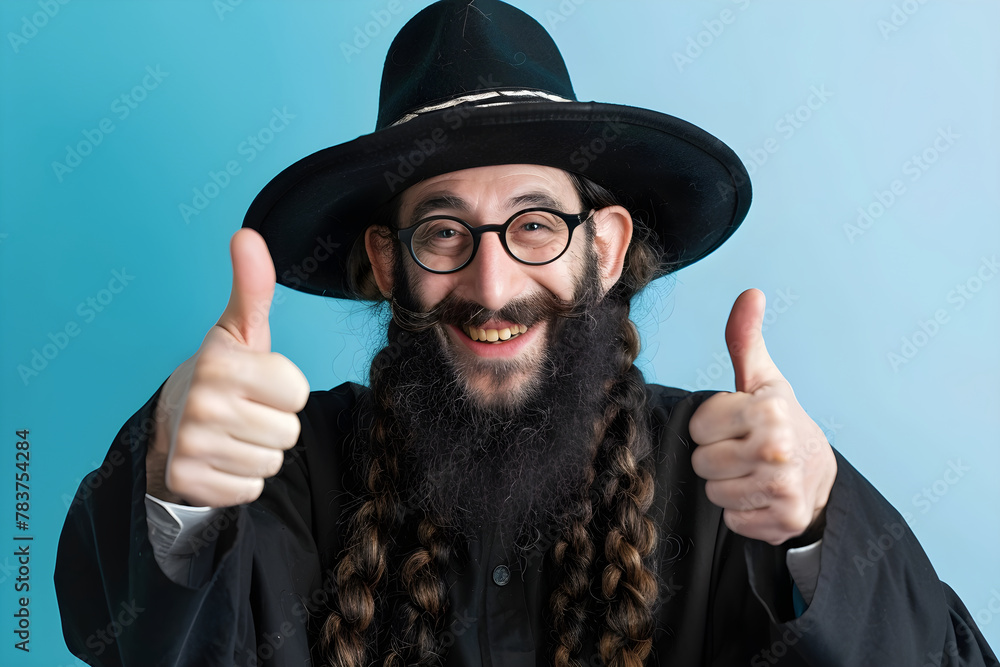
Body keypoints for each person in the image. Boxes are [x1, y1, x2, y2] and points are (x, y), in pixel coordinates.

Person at [55, 1, 997, 666]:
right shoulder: (288, 473)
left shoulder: (742, 479)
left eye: (537, 223)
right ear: (388, 264)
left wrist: (821, 529)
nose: (493, 284)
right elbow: (117, 635)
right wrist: (171, 486)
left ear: (608, 245)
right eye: (444, 231)